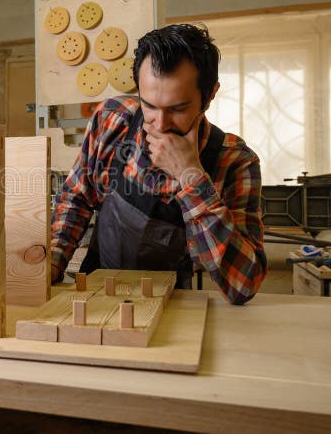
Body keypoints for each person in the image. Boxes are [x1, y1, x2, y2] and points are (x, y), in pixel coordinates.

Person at [50, 23, 267, 305]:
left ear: (210, 95)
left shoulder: (235, 161)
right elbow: (77, 198)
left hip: (172, 307)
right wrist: (53, 261)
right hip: (96, 294)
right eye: (149, 106)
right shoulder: (112, 119)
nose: (161, 124)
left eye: (177, 109)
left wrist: (192, 176)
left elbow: (244, 285)